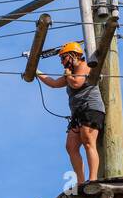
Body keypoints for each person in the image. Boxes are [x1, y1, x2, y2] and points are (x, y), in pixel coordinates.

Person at [35, 40, 106, 186]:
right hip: (78, 114)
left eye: (63, 58)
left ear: (74, 56)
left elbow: (76, 83)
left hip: (91, 110)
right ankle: (80, 181)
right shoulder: (70, 74)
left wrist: (68, 74)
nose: (61, 62)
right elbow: (54, 83)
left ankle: (92, 179)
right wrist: (36, 71)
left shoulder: (85, 66)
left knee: (88, 141)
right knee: (71, 146)